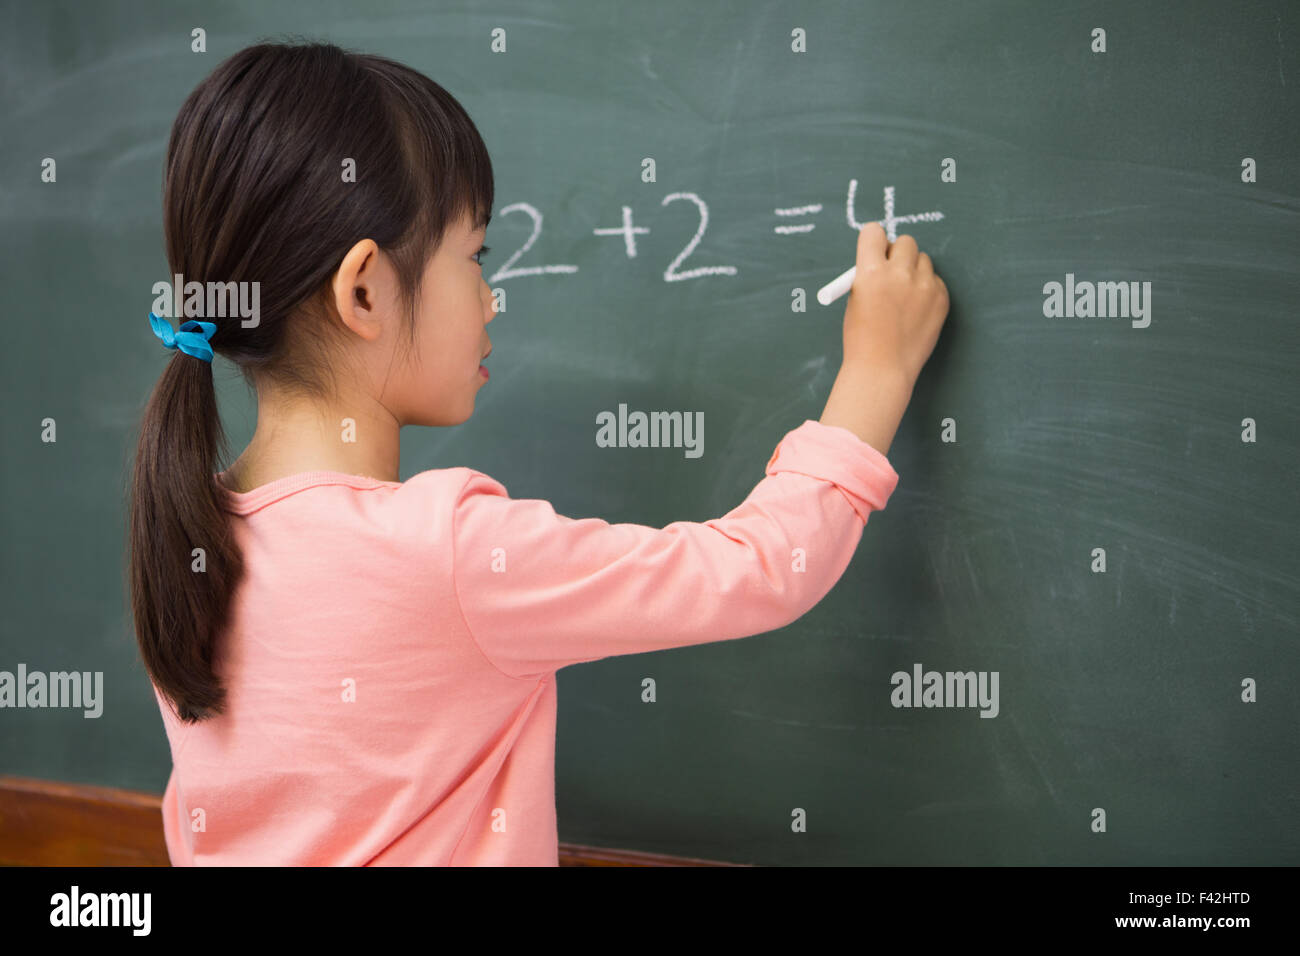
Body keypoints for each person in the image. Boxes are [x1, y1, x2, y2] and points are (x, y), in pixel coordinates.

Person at [128, 40, 949, 866]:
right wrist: (877, 372)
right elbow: (763, 567)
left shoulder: (187, 541)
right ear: (365, 290)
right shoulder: (449, 550)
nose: (491, 297)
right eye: (474, 256)